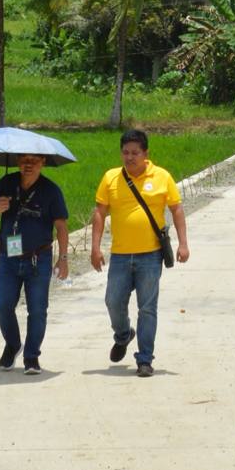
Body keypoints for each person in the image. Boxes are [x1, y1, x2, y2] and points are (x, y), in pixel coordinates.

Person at [90, 128, 189, 377]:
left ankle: (144, 359)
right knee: (113, 301)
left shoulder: (162, 177)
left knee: (147, 308)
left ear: (146, 154)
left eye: (135, 152)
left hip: (150, 256)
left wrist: (183, 243)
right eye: (125, 152)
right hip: (121, 256)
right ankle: (123, 335)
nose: (130, 157)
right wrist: (95, 247)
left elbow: (176, 210)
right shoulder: (111, 178)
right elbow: (100, 212)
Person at [0, 152, 69, 374]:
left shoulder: (51, 191)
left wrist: (63, 258)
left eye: (34, 160)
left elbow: (61, 226)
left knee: (38, 310)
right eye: (24, 160)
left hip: (37, 259)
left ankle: (32, 357)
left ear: (43, 162)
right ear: (17, 162)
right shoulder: (6, 183)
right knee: (3, 305)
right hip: (8, 258)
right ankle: (12, 344)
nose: (28, 164)